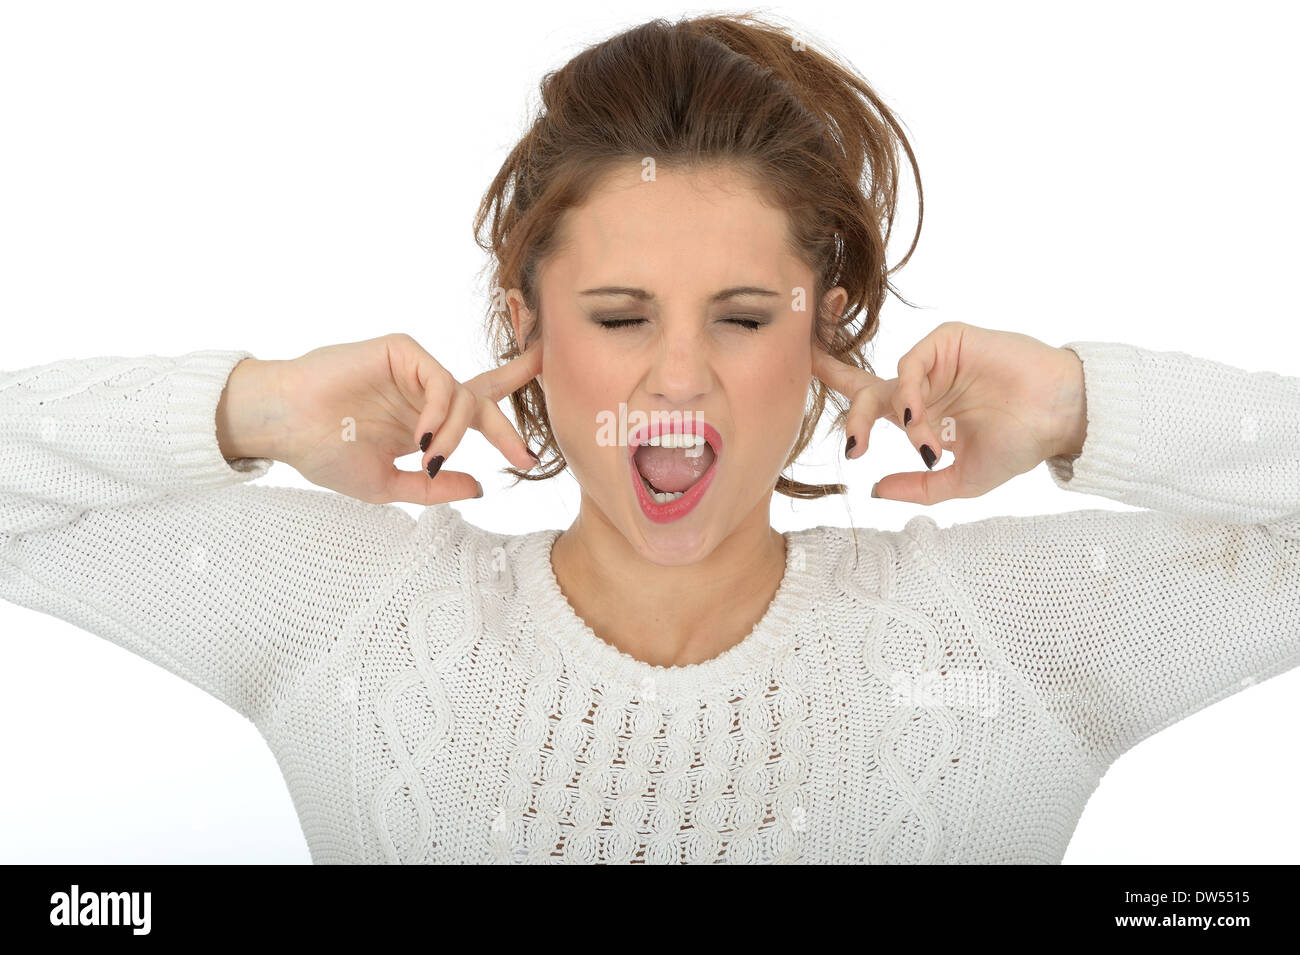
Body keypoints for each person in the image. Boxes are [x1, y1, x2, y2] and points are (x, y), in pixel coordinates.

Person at [2, 12, 1298, 865]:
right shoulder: (347, 611)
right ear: (529, 327)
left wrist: (1084, 407)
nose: (679, 378)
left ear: (826, 334)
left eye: (743, 318)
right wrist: (261, 410)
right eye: (619, 316)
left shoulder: (1011, 640)